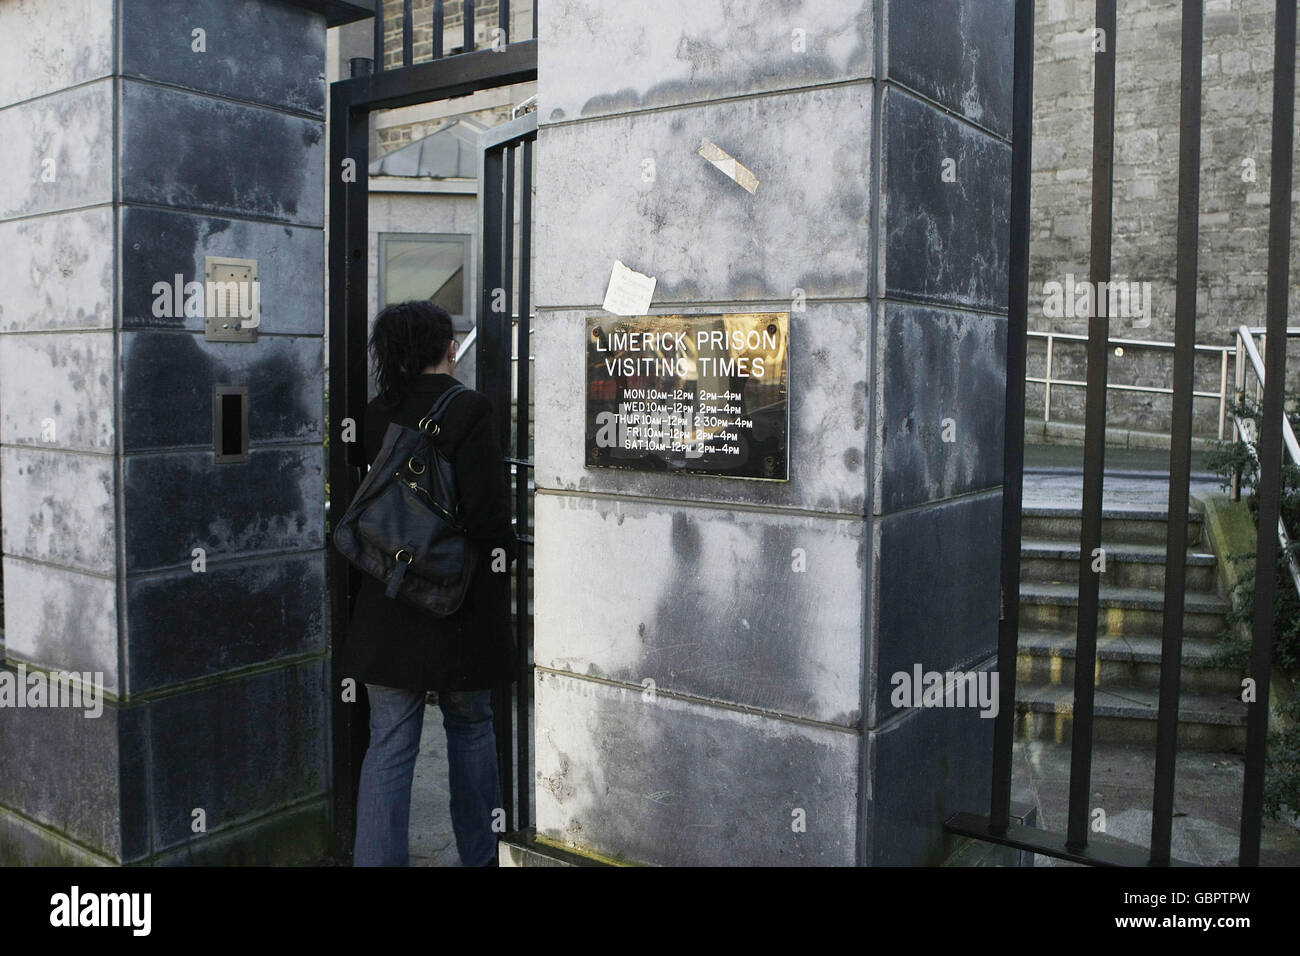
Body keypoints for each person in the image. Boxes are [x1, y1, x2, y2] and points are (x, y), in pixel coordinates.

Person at [345, 299, 517, 867]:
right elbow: (488, 516)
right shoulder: (470, 409)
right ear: (448, 348)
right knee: (471, 730)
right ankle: (480, 859)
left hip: (388, 599)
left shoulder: (375, 414)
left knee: (389, 745)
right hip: (458, 604)